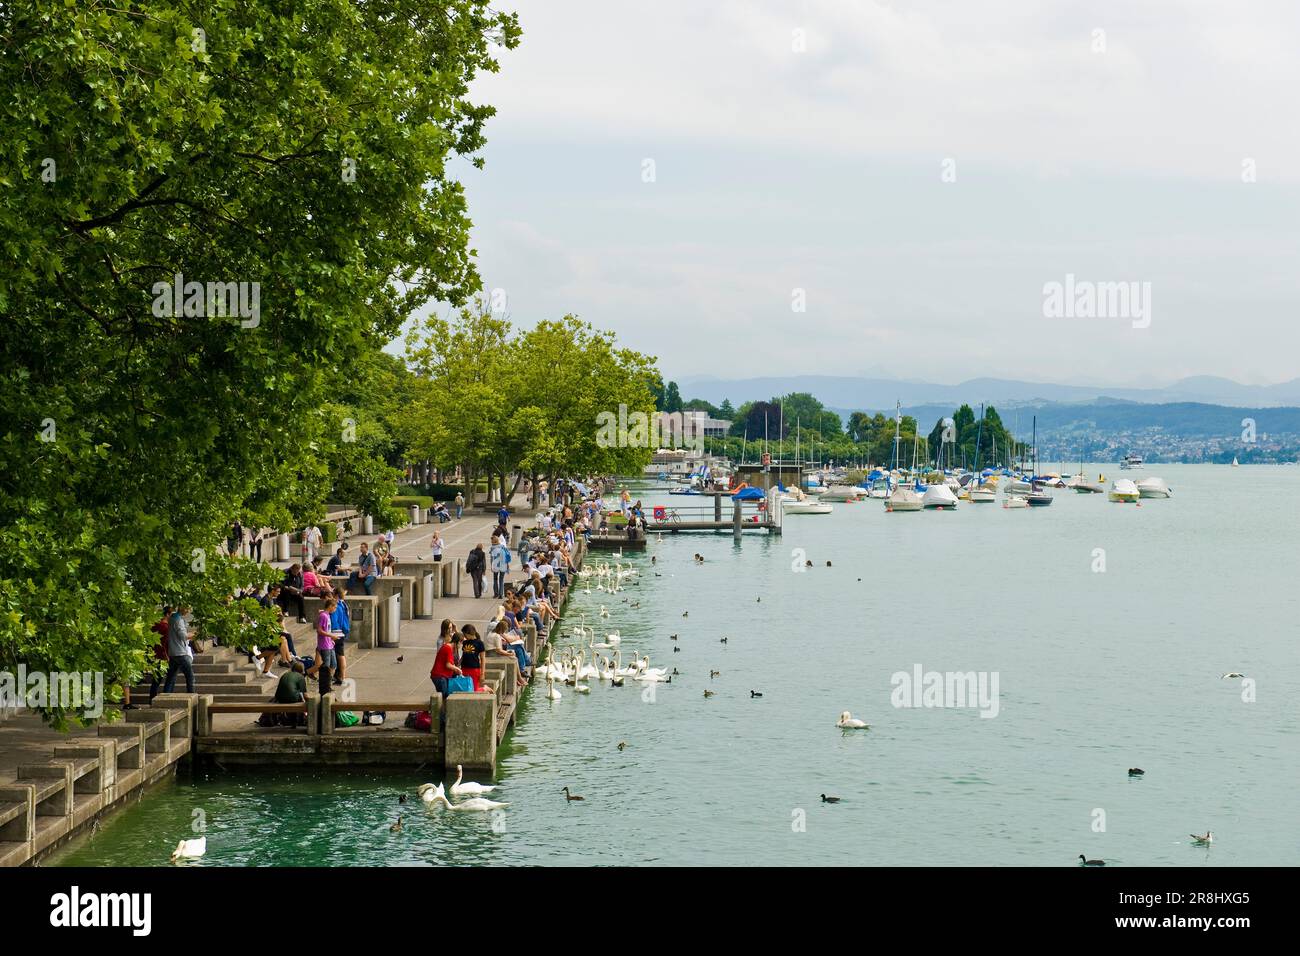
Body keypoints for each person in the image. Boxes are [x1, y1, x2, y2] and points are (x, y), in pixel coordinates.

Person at [162, 605, 195, 693]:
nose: (188, 611)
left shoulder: (172, 618)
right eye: (187, 608)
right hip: (180, 653)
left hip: (173, 652)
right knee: (190, 677)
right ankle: (192, 696)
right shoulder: (178, 620)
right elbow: (183, 636)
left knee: (170, 678)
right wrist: (195, 635)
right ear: (181, 608)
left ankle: (166, 697)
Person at [307, 596, 341, 680]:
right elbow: (319, 630)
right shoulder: (324, 616)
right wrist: (331, 636)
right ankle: (325, 682)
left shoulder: (327, 615)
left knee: (333, 664)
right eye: (335, 607)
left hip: (329, 644)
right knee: (326, 665)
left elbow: (327, 629)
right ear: (330, 606)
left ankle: (327, 680)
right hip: (324, 645)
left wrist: (331, 638)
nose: (335, 609)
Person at [147, 608, 170, 702]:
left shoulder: (155, 625)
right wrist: (166, 656)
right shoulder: (165, 627)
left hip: (154, 654)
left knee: (156, 680)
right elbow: (165, 643)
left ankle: (152, 698)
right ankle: (154, 698)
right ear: (167, 614)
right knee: (159, 679)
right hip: (162, 655)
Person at [430, 631, 462, 697]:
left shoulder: (450, 648)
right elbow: (448, 665)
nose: (461, 645)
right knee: (444, 696)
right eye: (461, 643)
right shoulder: (448, 648)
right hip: (440, 676)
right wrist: (457, 669)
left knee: (445, 695)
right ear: (458, 642)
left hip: (442, 676)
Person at [459, 624, 487, 692]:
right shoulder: (465, 642)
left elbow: (483, 659)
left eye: (465, 634)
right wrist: (458, 665)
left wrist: (482, 674)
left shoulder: (479, 643)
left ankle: (485, 689)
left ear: (469, 633)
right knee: (466, 689)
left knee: (474, 690)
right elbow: (463, 656)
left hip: (474, 669)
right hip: (464, 668)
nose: (464, 636)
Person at [330, 595, 352, 682]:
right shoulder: (343, 605)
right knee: (339, 654)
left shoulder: (337, 607)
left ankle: (341, 676)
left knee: (340, 655)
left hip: (337, 632)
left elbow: (334, 622)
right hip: (342, 631)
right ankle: (339, 675)